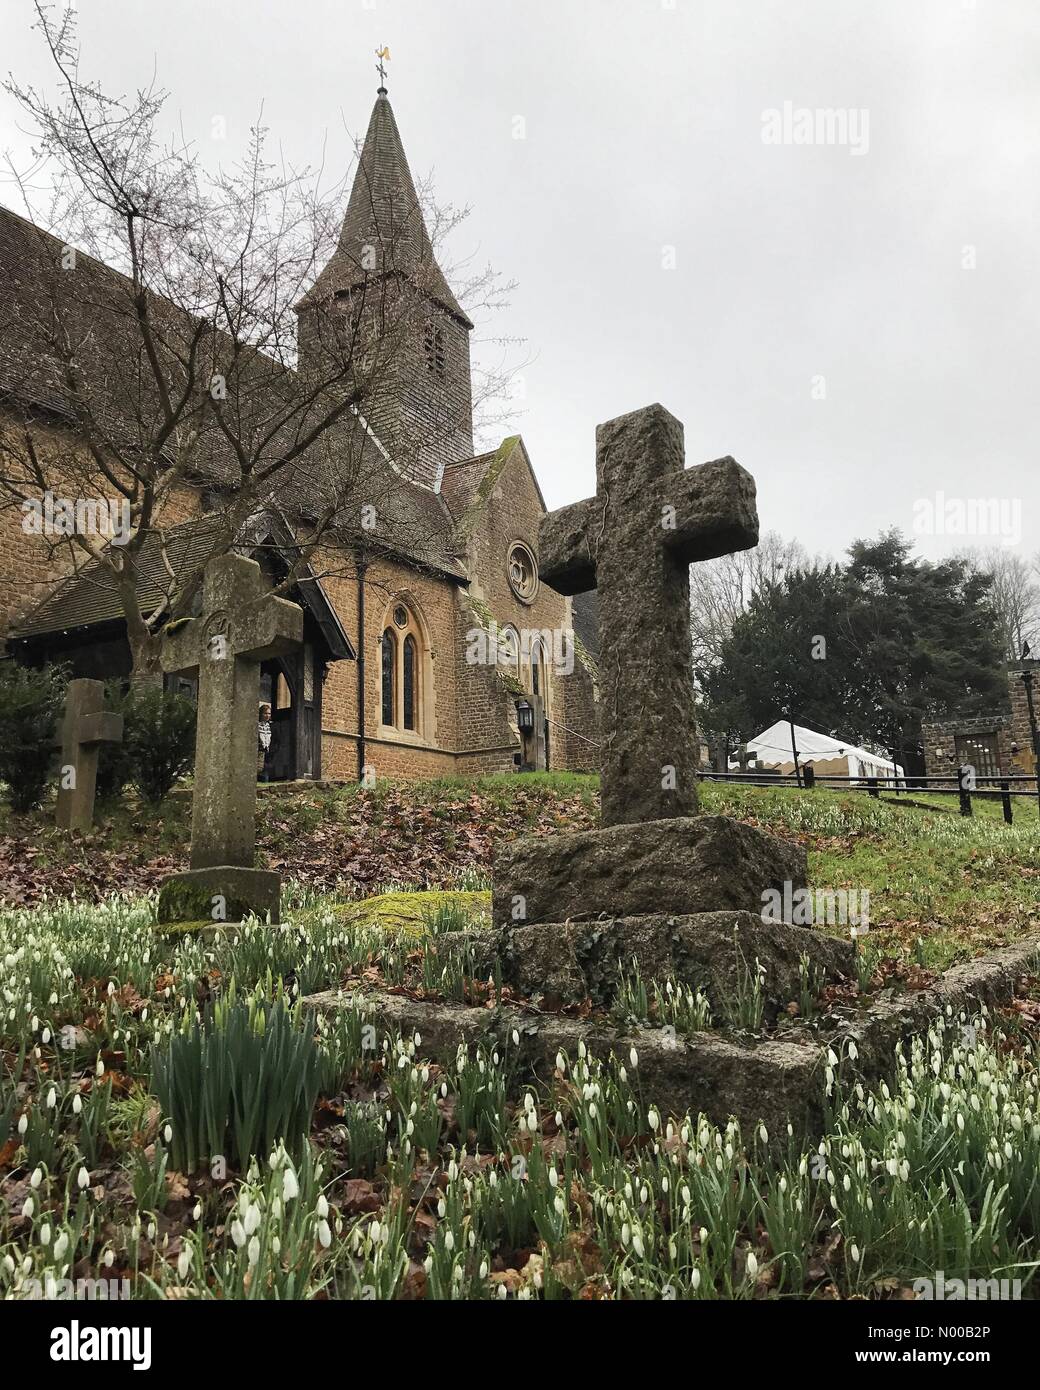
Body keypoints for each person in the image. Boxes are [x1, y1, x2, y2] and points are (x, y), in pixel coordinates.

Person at [258, 703, 273, 782]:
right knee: (258, 768)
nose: (267, 715)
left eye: (269, 713)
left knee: (266, 769)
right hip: (259, 750)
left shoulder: (269, 725)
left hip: (267, 750)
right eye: (265, 713)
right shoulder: (257, 724)